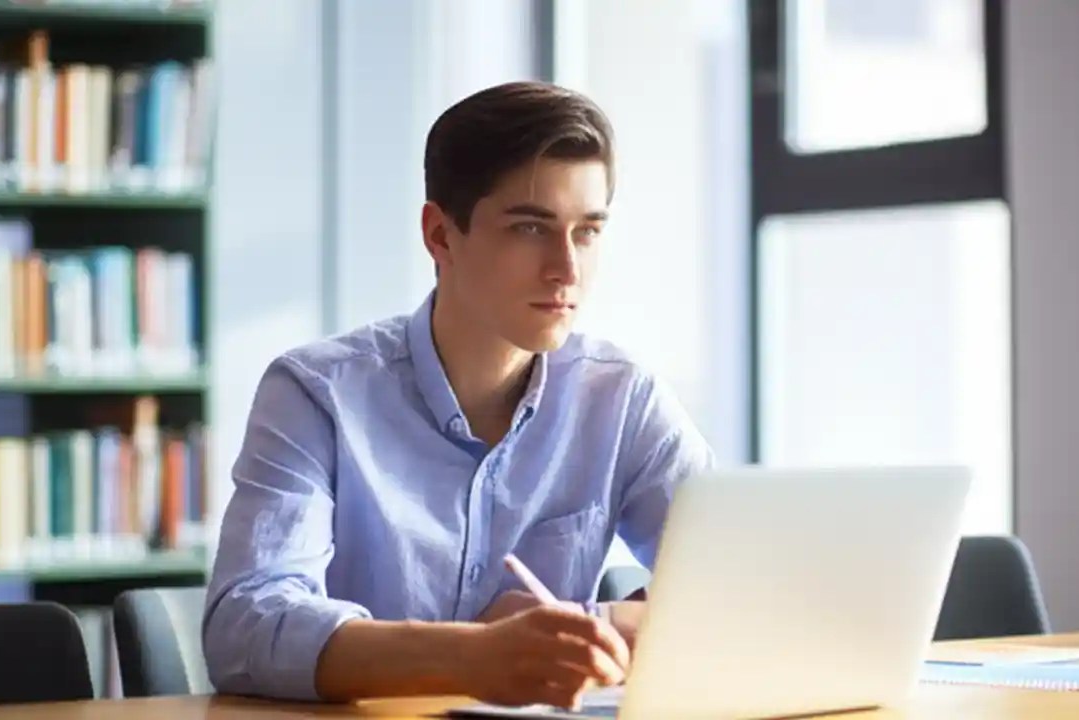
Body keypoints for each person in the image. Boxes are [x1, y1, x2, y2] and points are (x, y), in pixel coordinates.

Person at [201, 80, 713, 708]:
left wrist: (592, 623)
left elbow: (737, 582)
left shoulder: (623, 397)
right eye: (531, 228)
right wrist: (471, 656)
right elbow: (245, 626)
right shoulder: (316, 394)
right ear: (441, 236)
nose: (567, 270)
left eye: (587, 232)